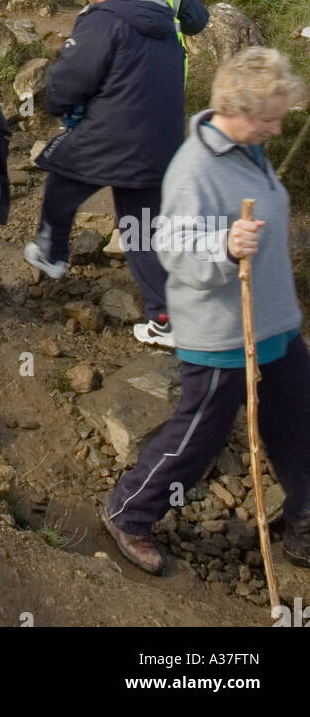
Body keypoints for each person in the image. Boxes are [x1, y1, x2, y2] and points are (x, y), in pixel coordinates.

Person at [104, 48, 310, 576]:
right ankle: (130, 512)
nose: (278, 127)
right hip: (222, 333)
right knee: (199, 437)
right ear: (236, 110)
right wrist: (224, 245)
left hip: (276, 325)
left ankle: (305, 520)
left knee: (298, 422)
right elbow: (172, 249)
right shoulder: (194, 166)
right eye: (270, 118)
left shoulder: (250, 148)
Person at [24, 0, 186, 347]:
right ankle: (165, 316)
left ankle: (52, 253)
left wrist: (59, 106)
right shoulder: (164, 23)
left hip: (115, 137)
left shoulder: (101, 20)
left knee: (62, 177)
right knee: (139, 228)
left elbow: (71, 79)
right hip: (163, 143)